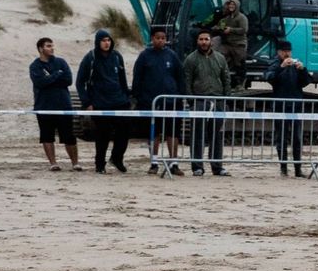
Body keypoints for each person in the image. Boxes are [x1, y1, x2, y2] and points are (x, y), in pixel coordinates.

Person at [76, 28, 132, 173]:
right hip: (100, 102)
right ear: (97, 42)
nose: (106, 43)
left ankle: (117, 158)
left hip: (119, 101)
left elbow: (122, 79)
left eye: (108, 40)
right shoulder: (91, 58)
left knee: (124, 132)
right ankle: (99, 164)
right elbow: (80, 82)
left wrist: (126, 96)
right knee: (103, 135)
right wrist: (86, 102)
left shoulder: (117, 56)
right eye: (103, 40)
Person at [133, 26, 186, 174]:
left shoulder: (172, 56)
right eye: (158, 38)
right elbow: (137, 77)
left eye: (163, 38)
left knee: (173, 133)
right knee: (153, 134)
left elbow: (180, 77)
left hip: (171, 102)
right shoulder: (144, 56)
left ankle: (174, 163)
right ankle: (154, 162)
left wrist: (181, 96)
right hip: (151, 102)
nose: (161, 40)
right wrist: (139, 97)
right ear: (152, 39)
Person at [29, 36, 82, 172]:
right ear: (41, 49)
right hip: (44, 106)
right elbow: (40, 82)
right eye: (48, 46)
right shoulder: (35, 66)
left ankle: (75, 163)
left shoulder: (61, 62)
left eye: (52, 46)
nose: (51, 48)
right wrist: (56, 75)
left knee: (69, 136)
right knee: (47, 136)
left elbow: (68, 80)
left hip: (63, 105)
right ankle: (53, 163)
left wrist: (51, 77)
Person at [182, 30, 231, 175]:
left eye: (206, 39)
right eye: (201, 39)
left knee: (217, 136)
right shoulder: (191, 59)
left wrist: (225, 99)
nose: (204, 42)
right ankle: (197, 167)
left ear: (211, 41)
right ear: (197, 41)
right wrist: (191, 101)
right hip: (199, 100)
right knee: (197, 135)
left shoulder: (220, 58)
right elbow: (187, 82)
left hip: (218, 101)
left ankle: (217, 166)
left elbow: (226, 79)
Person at [265, 39, 311, 177]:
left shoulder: (295, 65)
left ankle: (298, 169)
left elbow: (306, 82)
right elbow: (269, 78)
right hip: (280, 106)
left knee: (297, 138)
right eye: (284, 51)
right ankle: (283, 168)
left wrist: (303, 70)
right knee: (281, 138)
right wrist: (281, 67)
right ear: (279, 52)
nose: (287, 54)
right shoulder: (274, 64)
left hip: (295, 105)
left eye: (288, 51)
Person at [214, 0, 250, 89]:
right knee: (220, 58)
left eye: (233, 5)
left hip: (239, 43)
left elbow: (244, 29)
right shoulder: (227, 18)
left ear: (237, 6)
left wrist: (231, 30)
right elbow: (221, 25)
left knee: (240, 63)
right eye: (230, 4)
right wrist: (218, 28)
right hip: (227, 44)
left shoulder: (242, 18)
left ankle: (240, 82)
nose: (231, 6)